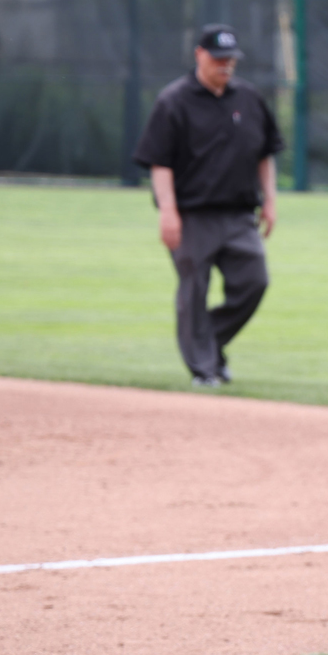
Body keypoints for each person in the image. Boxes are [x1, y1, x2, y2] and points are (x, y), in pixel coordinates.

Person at [133, 24, 283, 387]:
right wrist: (168, 212)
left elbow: (265, 154)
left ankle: (209, 344)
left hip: (238, 214)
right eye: (218, 58)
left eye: (230, 59)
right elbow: (160, 162)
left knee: (254, 281)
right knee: (193, 291)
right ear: (199, 55)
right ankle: (203, 369)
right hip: (192, 215)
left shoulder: (248, 98)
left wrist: (271, 201)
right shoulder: (174, 100)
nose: (225, 65)